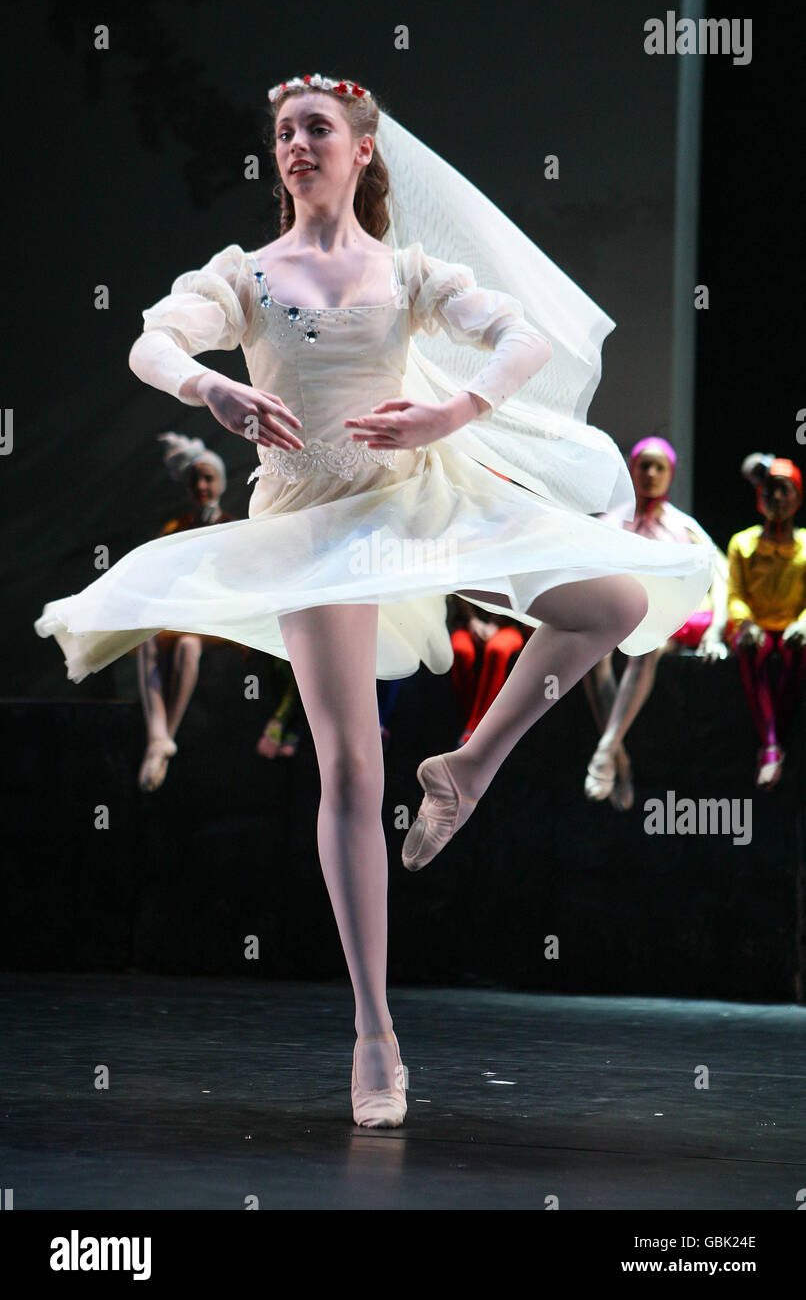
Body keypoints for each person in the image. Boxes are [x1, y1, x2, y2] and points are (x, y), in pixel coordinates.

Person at [34, 72, 716, 1129]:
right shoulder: (247, 276)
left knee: (611, 603)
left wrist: (451, 410)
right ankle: (374, 1031)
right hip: (313, 528)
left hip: (421, 497)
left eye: (317, 129)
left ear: (361, 153)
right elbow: (151, 340)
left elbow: (519, 337)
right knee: (352, 764)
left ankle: (469, 766)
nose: (296, 145)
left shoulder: (406, 272)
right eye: (283, 133)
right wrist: (210, 386)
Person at [582, 436, 728, 808]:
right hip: (619, 616)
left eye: (658, 467)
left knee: (649, 647)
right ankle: (618, 757)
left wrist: (714, 630)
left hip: (664, 621)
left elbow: (721, 577)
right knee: (591, 656)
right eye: (643, 465)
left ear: (671, 474)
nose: (650, 473)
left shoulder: (685, 526)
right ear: (631, 469)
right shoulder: (612, 522)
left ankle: (605, 754)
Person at [136, 433, 250, 791]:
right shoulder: (176, 527)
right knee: (146, 641)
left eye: (208, 478)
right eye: (195, 480)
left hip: (216, 622)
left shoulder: (232, 526)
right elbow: (157, 572)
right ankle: (157, 733)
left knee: (187, 646)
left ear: (220, 482)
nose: (201, 486)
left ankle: (164, 738)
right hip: (183, 615)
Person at [726, 454, 806, 789]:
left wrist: (803, 623)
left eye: (784, 490)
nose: (776, 498)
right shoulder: (743, 543)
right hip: (757, 627)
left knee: (800, 656)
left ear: (797, 496)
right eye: (770, 490)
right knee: (749, 654)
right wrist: (746, 624)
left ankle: (773, 746)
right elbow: (735, 595)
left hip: (792, 627)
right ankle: (773, 748)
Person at [448, 595, 534, 747]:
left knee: (497, 650)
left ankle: (475, 729)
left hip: (508, 624)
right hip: (468, 623)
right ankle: (469, 721)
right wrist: (472, 621)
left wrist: (496, 623)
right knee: (461, 651)